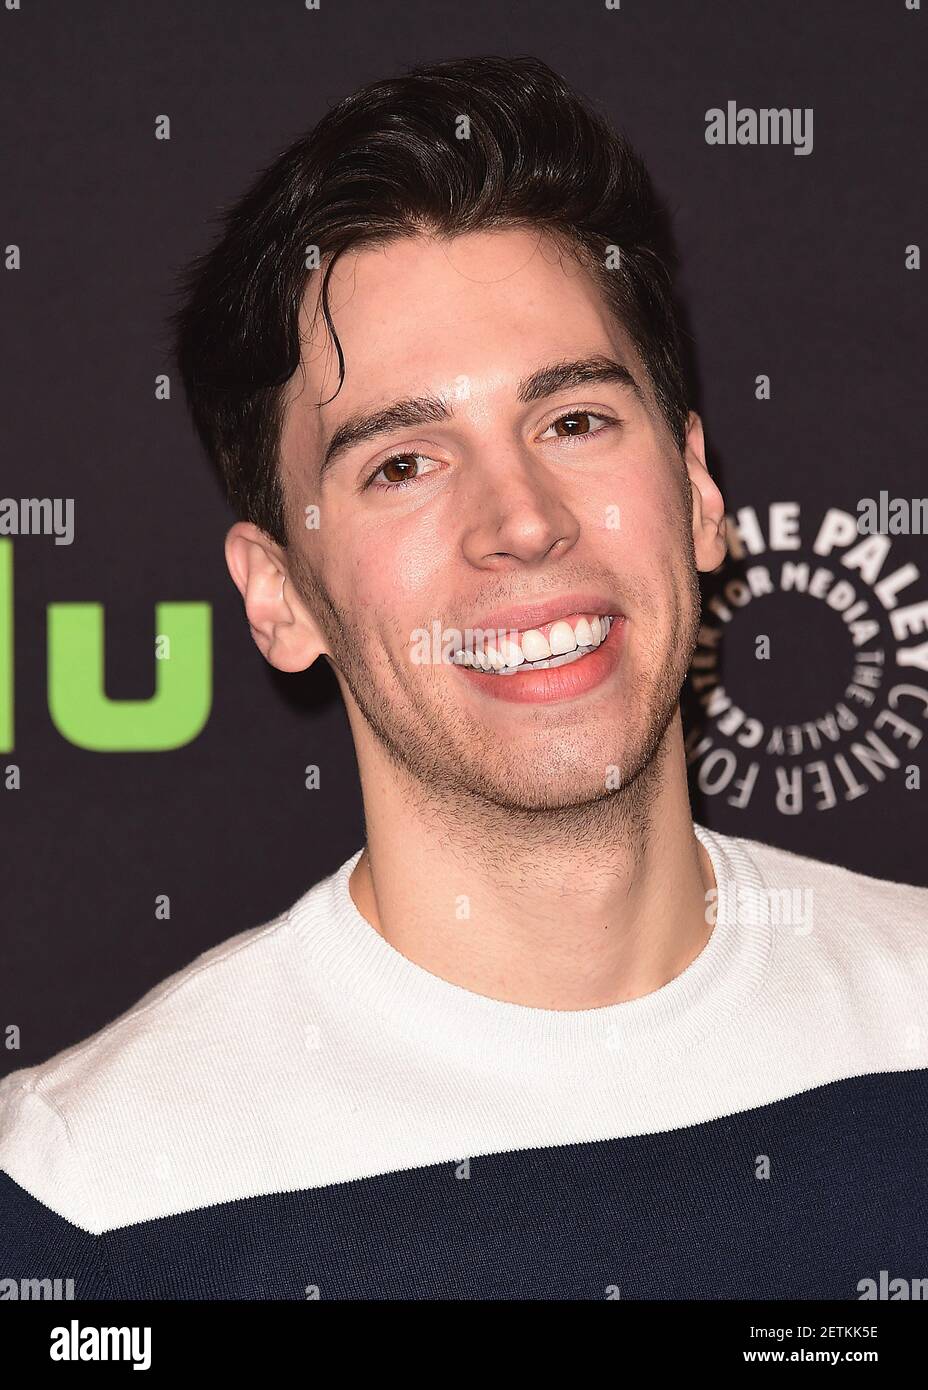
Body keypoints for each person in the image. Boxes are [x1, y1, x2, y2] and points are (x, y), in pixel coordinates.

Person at [1, 55, 925, 1301]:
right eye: (402, 464)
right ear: (277, 596)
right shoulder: (84, 1199)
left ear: (699, 490)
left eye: (574, 422)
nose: (523, 520)